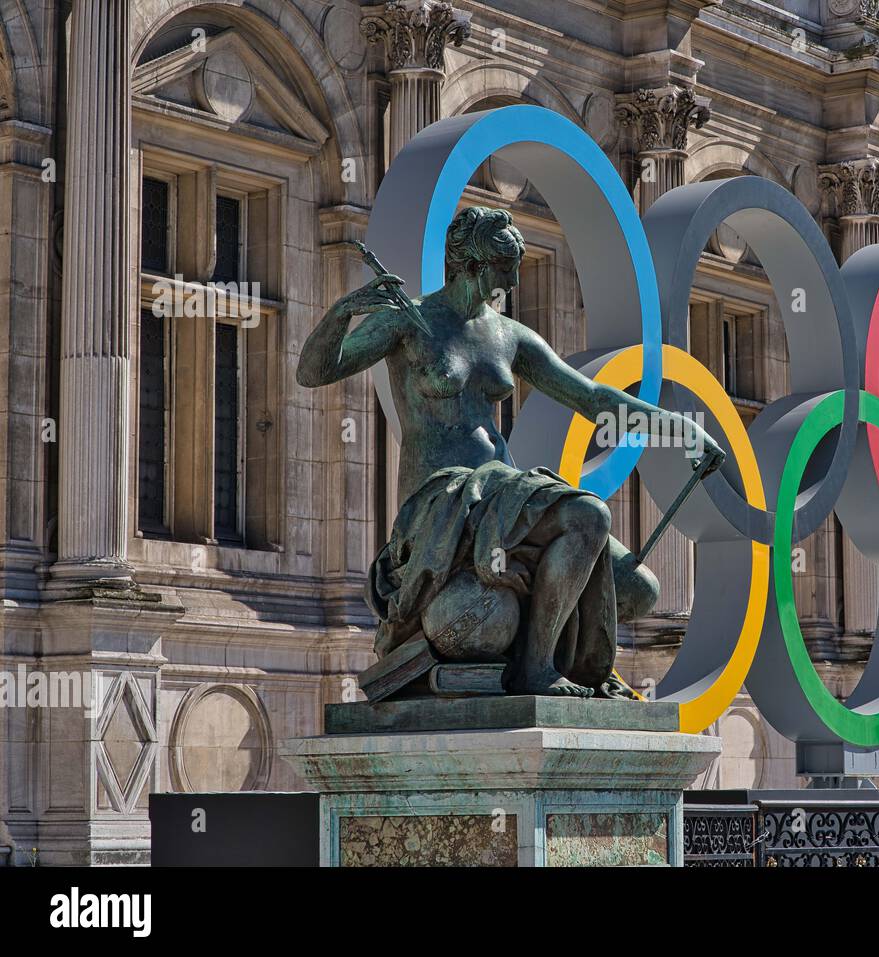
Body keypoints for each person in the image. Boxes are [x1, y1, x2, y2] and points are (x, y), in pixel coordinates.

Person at [297, 206, 724, 697]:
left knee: (636, 589)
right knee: (587, 515)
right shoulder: (407, 321)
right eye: (505, 266)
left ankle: (541, 642)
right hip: (441, 494)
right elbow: (314, 371)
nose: (515, 279)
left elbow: (592, 399)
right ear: (471, 266)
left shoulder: (508, 335)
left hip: (502, 485)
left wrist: (679, 431)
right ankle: (535, 670)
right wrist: (344, 311)